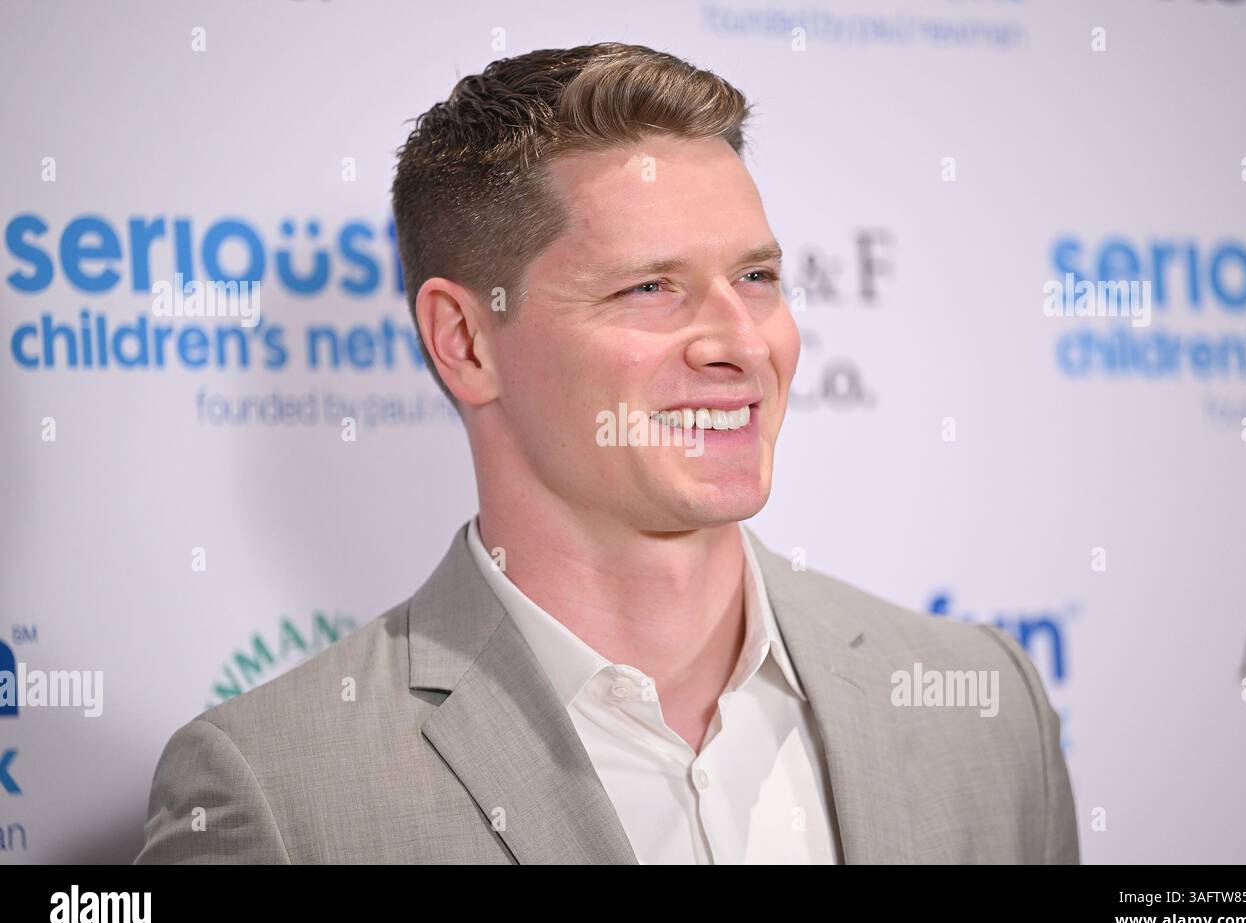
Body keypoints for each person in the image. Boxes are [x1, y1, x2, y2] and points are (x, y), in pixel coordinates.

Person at [136, 42, 1079, 864]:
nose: (741, 342)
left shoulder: (984, 708)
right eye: (649, 288)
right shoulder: (276, 796)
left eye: (756, 277)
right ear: (466, 341)